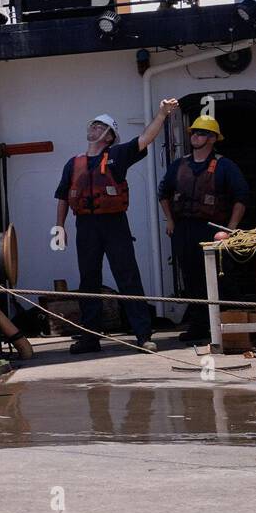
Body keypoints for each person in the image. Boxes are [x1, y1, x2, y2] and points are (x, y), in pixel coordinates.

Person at [54, 101, 178, 354]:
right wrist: (59, 227)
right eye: (93, 124)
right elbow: (63, 197)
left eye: (100, 125)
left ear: (109, 136)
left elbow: (145, 138)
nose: (94, 127)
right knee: (89, 281)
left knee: (128, 277)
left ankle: (143, 335)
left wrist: (162, 114)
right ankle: (90, 337)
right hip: (85, 226)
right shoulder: (73, 164)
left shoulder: (118, 156)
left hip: (114, 225)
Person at [158, 114, 250, 342]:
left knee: (223, 278)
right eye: (194, 132)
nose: (196, 136)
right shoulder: (179, 165)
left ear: (212, 139)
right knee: (191, 279)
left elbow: (241, 197)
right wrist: (169, 220)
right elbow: (163, 193)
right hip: (184, 230)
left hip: (212, 230)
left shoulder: (225, 165)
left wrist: (229, 230)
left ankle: (237, 325)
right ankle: (200, 326)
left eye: (201, 133)